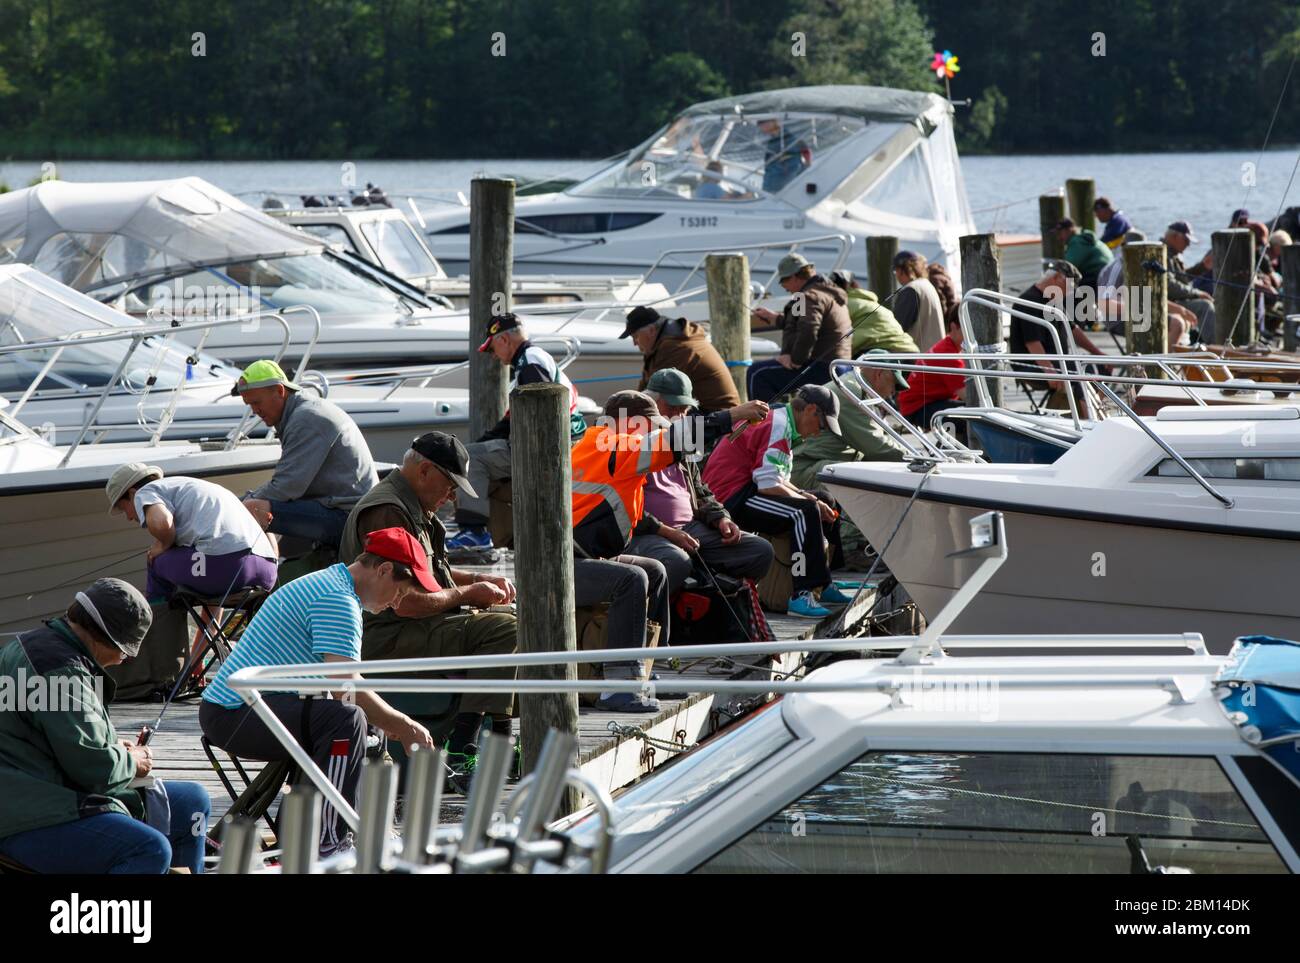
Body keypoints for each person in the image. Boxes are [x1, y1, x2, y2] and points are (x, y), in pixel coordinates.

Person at [201, 528, 437, 857]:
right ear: (383, 570)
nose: (398, 603)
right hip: (234, 712)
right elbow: (347, 688)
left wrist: (389, 724)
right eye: (400, 591)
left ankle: (322, 830)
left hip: (244, 706)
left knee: (362, 725)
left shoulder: (332, 582)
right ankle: (329, 842)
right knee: (347, 720)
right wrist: (404, 725)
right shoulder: (338, 599)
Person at [0, 579, 211, 873]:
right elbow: (95, 770)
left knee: (191, 802)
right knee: (148, 849)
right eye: (125, 649)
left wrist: (112, 748)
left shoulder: (37, 645)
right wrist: (131, 760)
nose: (125, 658)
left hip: (46, 789)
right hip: (30, 815)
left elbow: (64, 738)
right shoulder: (62, 672)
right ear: (106, 637)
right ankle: (106, 919)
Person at [339, 432, 520, 765]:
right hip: (385, 635)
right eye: (449, 485)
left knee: (517, 619)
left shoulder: (411, 506)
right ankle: (465, 747)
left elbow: (432, 574)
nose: (452, 497)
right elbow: (404, 601)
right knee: (505, 631)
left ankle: (496, 740)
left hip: (411, 626)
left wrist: (480, 580)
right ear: (424, 471)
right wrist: (469, 594)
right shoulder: (388, 512)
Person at [570, 391, 697, 712]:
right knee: (632, 578)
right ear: (626, 423)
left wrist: (667, 531)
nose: (650, 433)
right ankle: (618, 688)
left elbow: (632, 517)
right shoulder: (612, 444)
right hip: (558, 568)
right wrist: (734, 417)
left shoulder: (605, 444)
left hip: (585, 557)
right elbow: (685, 440)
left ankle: (651, 672)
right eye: (647, 426)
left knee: (654, 570)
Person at [703, 385, 853, 618]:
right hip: (729, 499)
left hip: (747, 488)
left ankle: (823, 583)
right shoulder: (778, 425)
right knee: (804, 511)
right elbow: (768, 485)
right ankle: (801, 593)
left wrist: (809, 496)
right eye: (821, 426)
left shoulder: (783, 422)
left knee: (824, 499)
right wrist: (808, 501)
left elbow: (777, 479)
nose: (817, 434)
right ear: (810, 410)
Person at [625, 369, 775, 594]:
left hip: (691, 528)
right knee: (677, 560)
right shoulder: (634, 440)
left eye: (683, 409)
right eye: (671, 407)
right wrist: (668, 532)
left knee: (759, 550)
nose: (677, 414)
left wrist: (721, 519)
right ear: (651, 406)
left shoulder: (681, 444)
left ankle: (708, 600)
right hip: (652, 533)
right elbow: (629, 509)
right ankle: (664, 619)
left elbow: (701, 491)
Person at [449, 313, 585, 552]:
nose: (494, 356)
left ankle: (474, 534)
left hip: (549, 447)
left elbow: (539, 411)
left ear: (503, 340)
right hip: (563, 443)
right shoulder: (536, 358)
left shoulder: (530, 363)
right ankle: (506, 537)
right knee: (478, 460)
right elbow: (513, 420)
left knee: (469, 459)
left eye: (492, 349)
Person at [235, 359, 378, 549]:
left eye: (256, 402)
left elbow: (285, 487)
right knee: (257, 507)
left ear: (279, 390)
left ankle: (266, 573)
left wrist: (237, 504)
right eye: (249, 404)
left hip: (352, 519)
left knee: (254, 508)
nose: (254, 411)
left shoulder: (306, 419)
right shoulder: (303, 411)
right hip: (349, 511)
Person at [791, 353, 911, 571]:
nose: (894, 392)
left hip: (812, 463)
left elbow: (876, 442)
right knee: (857, 477)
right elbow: (876, 446)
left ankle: (858, 542)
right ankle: (851, 549)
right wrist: (916, 459)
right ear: (878, 374)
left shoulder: (855, 388)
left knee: (862, 471)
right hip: (803, 468)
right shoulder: (851, 392)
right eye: (894, 384)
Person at [106, 463, 277, 602]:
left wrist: (163, 545)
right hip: (267, 570)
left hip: (226, 567)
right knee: (201, 556)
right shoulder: (194, 486)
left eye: (123, 508)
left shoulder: (146, 492)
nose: (128, 517)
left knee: (155, 561)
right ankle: (204, 642)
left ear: (132, 493)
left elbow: (162, 523)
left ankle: (163, 641)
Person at [748, 253, 852, 401]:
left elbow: (808, 330)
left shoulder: (807, 296)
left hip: (822, 366)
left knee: (756, 374)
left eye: (783, 280)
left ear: (795, 277)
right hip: (836, 364)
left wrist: (796, 360)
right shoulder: (816, 292)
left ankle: (765, 422)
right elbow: (795, 323)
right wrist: (774, 318)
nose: (783, 286)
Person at [1011, 260, 1108, 406]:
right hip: (1032, 365)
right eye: (1068, 287)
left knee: (1100, 367)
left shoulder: (1055, 299)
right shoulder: (1029, 301)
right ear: (1056, 278)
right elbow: (1032, 342)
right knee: (1082, 369)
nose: (1069, 292)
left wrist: (1098, 354)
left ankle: (1093, 410)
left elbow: (1073, 330)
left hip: (1058, 361)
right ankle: (1090, 418)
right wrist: (1049, 370)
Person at [625, 304, 740, 413]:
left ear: (651, 331)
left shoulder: (675, 347)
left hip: (720, 417)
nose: (635, 343)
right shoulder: (664, 343)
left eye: (635, 336)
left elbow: (655, 395)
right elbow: (646, 392)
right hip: (707, 412)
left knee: (658, 416)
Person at [644, 367, 770, 455]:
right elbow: (674, 438)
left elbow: (699, 488)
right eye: (671, 407)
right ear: (651, 402)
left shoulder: (684, 448)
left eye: (684, 409)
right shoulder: (637, 433)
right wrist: (733, 414)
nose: (679, 416)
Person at [1096, 230, 1189, 347]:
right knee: (1176, 324)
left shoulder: (1137, 265)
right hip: (1117, 320)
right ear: (1124, 248)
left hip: (1136, 313)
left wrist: (1180, 309)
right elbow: (1104, 304)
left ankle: (1160, 357)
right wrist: (1138, 309)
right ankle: (1161, 362)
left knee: (1182, 320)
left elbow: (1149, 299)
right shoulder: (1117, 267)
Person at [896, 314, 967, 429]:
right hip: (917, 408)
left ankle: (948, 445)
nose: (972, 335)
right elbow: (967, 396)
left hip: (917, 404)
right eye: (968, 330)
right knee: (974, 417)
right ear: (954, 327)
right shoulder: (949, 355)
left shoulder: (947, 346)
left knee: (969, 413)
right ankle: (956, 446)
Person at [829, 269, 919, 355]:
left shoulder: (841, 305)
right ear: (855, 285)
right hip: (911, 351)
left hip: (883, 354)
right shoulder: (869, 302)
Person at [1163, 221, 1217, 342]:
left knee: (1211, 301)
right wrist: (1196, 293)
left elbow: (1181, 277)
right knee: (1205, 306)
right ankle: (1216, 347)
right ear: (1174, 237)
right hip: (1168, 303)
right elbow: (1170, 285)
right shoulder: (1162, 254)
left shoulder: (1173, 254)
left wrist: (1202, 267)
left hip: (1175, 301)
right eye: (1186, 241)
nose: (1188, 245)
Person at [890, 250, 945, 351]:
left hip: (918, 360)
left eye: (895, 271)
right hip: (934, 356)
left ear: (902, 270)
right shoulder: (927, 285)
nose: (896, 275)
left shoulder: (911, 290)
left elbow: (895, 330)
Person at [1053, 217, 1113, 296]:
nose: (1058, 238)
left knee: (1068, 289)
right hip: (1109, 273)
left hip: (1099, 275)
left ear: (1069, 230)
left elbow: (1068, 267)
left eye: (1060, 233)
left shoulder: (1077, 242)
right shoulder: (1083, 237)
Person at [759, 118, 810, 193]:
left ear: (773, 122)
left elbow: (804, 149)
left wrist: (807, 164)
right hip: (773, 181)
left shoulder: (790, 135)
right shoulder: (771, 141)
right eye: (761, 125)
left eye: (764, 123)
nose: (762, 127)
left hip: (787, 179)